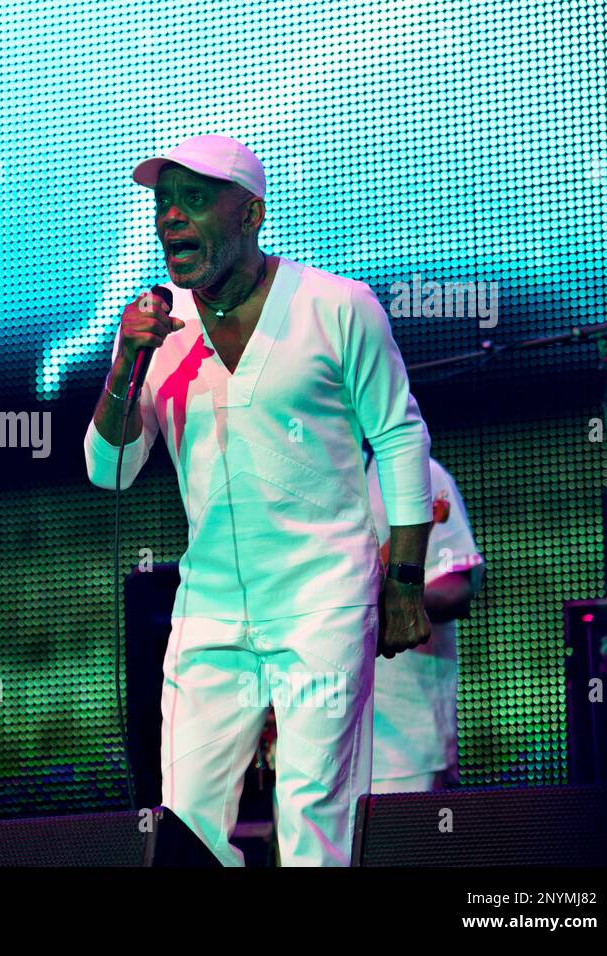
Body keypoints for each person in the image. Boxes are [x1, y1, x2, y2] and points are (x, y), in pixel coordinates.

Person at [84, 134, 433, 866]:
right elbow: (109, 470)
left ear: (250, 214)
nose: (172, 218)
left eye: (195, 199)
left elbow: (400, 439)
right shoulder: (159, 329)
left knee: (313, 822)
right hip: (208, 605)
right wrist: (126, 362)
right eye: (163, 202)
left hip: (323, 600)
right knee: (182, 824)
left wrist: (403, 583)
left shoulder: (337, 306)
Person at [364, 439, 485, 793]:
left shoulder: (416, 475)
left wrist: (384, 600)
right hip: (314, 736)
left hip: (403, 748)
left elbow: (458, 588)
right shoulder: (303, 487)